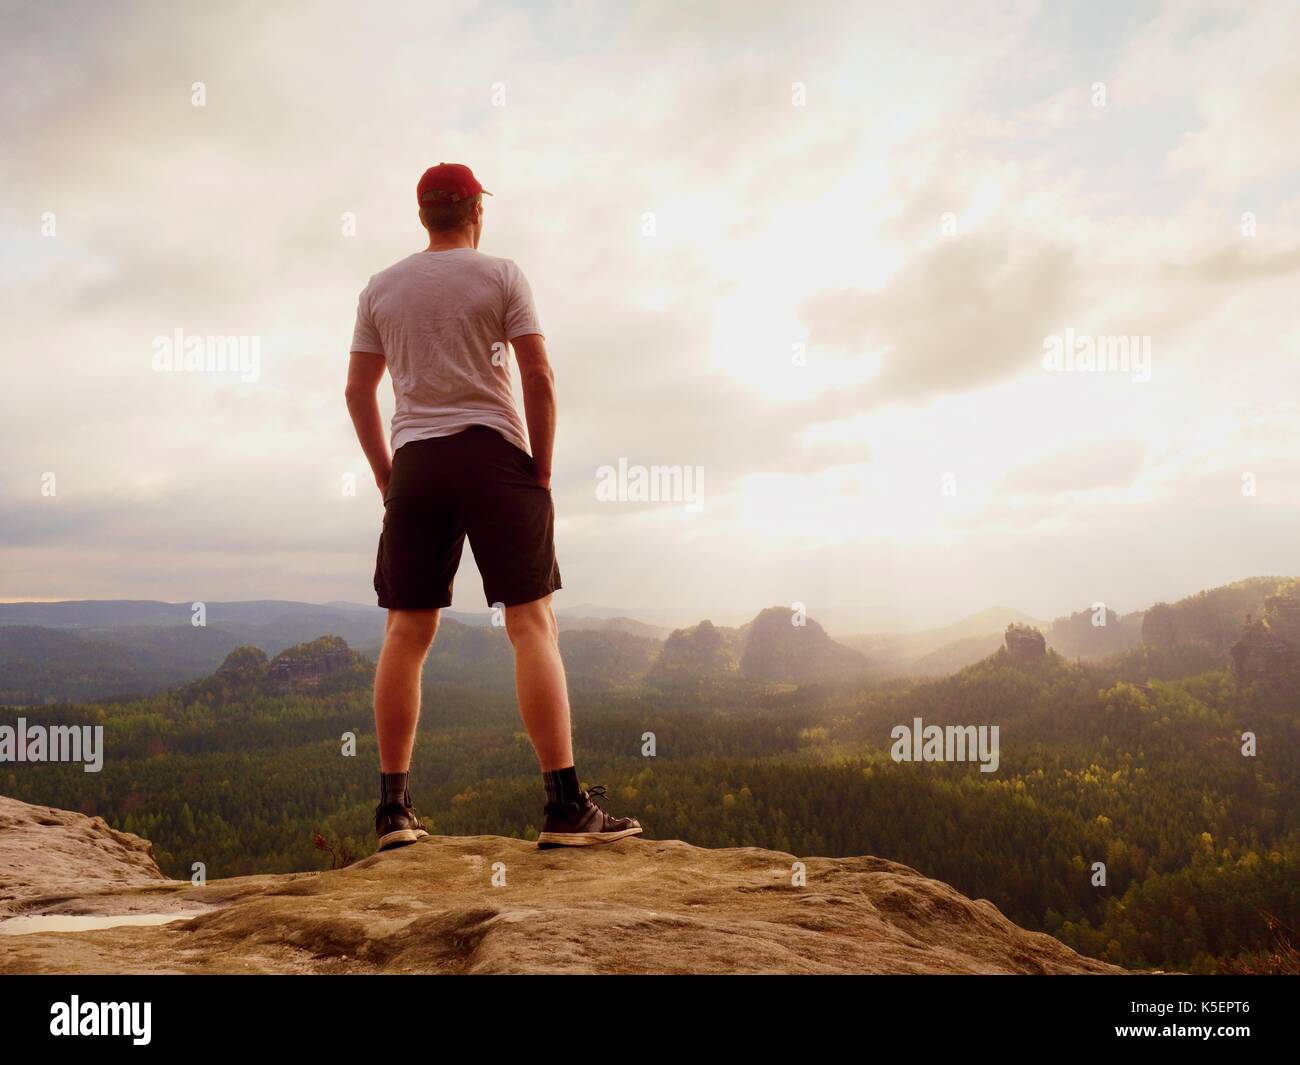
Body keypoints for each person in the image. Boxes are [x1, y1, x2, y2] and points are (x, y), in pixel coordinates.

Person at [345, 162, 642, 853]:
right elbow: (537, 373)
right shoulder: (502, 274)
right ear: (476, 211)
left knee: (405, 633)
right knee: (531, 622)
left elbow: (359, 392)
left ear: (424, 215)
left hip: (416, 461)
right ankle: (564, 807)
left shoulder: (380, 288)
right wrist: (539, 465)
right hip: (494, 454)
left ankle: (394, 812)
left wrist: (390, 476)